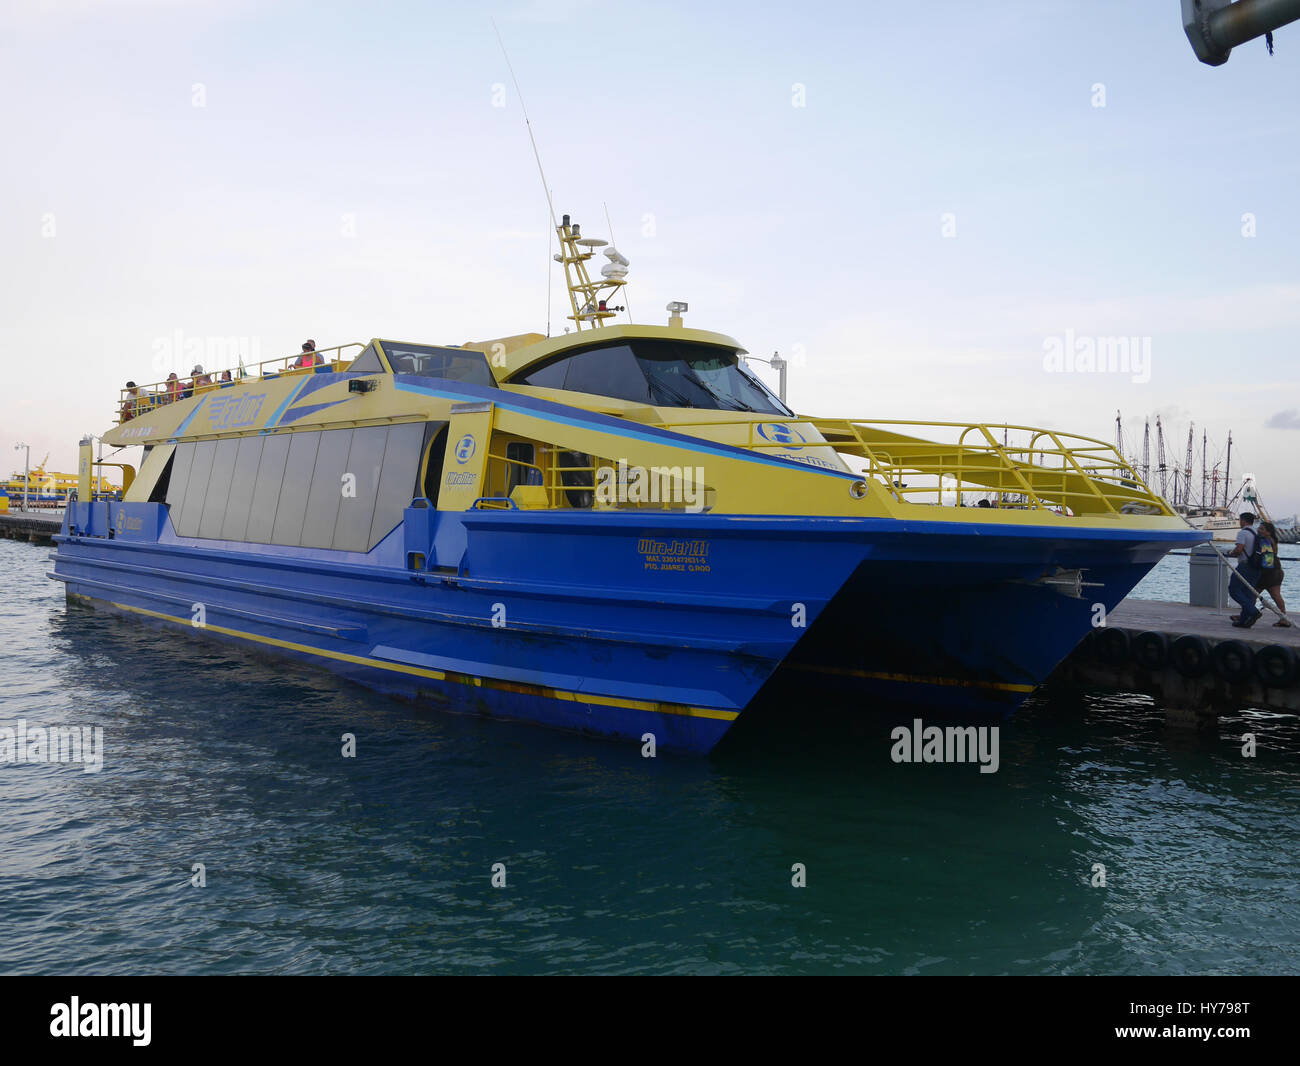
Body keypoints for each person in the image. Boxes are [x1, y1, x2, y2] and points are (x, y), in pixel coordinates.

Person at [1226, 511, 1262, 628]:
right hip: (1256, 566)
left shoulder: (1243, 533)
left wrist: (1231, 552)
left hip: (1245, 566)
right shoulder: (1257, 532)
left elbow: (1239, 549)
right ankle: (1244, 619)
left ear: (1244, 521)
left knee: (1234, 590)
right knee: (1248, 593)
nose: (1239, 522)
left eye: (1240, 520)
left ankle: (1253, 612)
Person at [1258, 520, 1291, 627]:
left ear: (1269, 532)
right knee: (1276, 595)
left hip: (1269, 572)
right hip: (1276, 570)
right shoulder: (1273, 540)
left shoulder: (1266, 540)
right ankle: (1284, 617)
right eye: (1259, 528)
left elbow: (1267, 559)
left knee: (1253, 593)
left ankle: (1246, 614)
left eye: (1262, 529)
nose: (1259, 530)